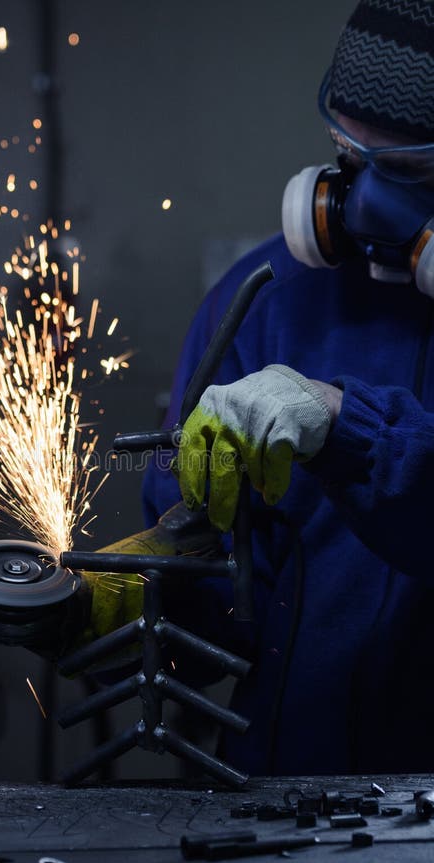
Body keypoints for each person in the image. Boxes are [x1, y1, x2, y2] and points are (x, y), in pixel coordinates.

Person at [140, 0, 434, 776]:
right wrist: (135, 607)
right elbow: (216, 597)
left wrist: (351, 428)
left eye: (405, 171)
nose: (365, 201)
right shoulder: (262, 302)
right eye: (346, 154)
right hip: (289, 802)